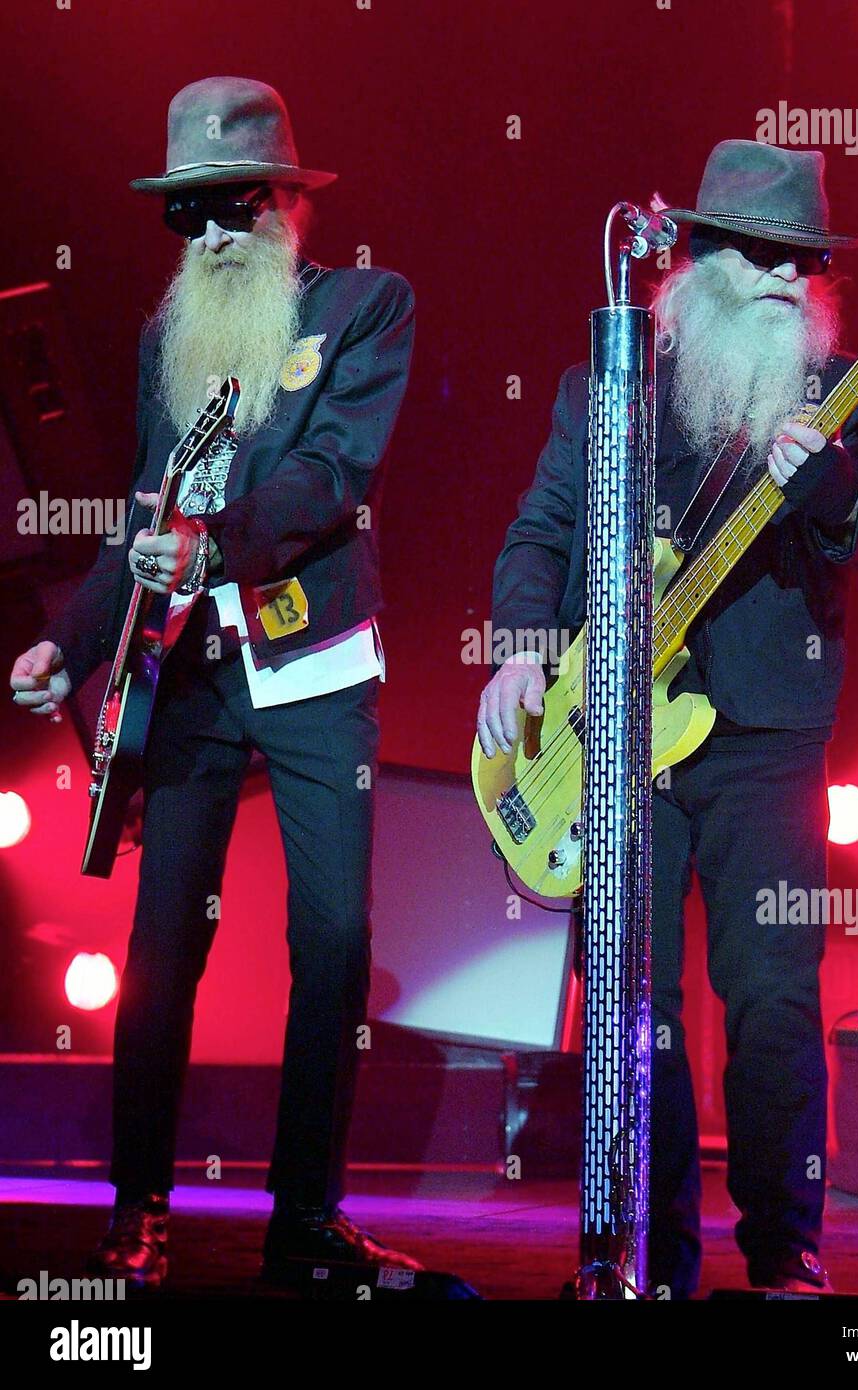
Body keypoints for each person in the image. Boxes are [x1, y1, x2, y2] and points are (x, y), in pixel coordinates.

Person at [476, 139, 858, 1296]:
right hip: (616, 730)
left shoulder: (842, 387)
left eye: (803, 260)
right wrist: (519, 652)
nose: (785, 278)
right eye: (762, 252)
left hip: (767, 735)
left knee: (769, 990)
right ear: (697, 257)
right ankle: (646, 1254)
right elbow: (542, 529)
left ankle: (784, 1250)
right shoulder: (609, 381)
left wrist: (819, 478)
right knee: (631, 1002)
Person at [10, 75, 419, 1289]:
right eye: (185, 215)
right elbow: (140, 512)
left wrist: (214, 540)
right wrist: (70, 645)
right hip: (189, 673)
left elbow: (334, 475)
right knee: (161, 945)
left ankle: (303, 1218)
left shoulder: (363, 307)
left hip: (314, 669)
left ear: (290, 198)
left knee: (333, 938)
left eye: (231, 206)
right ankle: (137, 1209)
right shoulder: (165, 340)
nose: (212, 235)